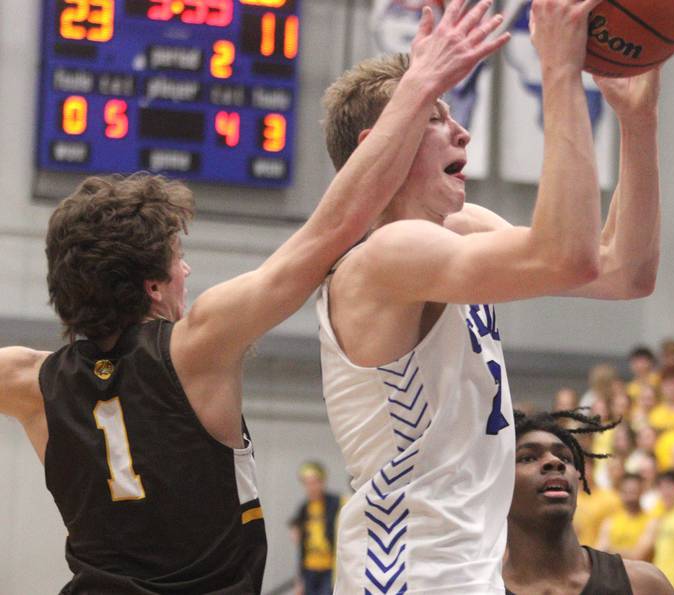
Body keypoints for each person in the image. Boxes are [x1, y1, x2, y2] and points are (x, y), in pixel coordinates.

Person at [0, 4, 472, 585]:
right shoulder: (197, 345)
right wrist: (418, 87)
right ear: (153, 285)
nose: (188, 270)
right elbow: (332, 230)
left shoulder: (23, 378)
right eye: (177, 260)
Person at [318, 0, 673, 588]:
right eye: (435, 119)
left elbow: (625, 272)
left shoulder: (458, 231)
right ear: (380, 142)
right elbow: (567, 253)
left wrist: (637, 123)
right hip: (409, 571)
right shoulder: (384, 256)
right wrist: (559, 69)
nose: (461, 130)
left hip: (470, 566)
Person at [504, 410, 674, 595]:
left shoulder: (644, 585)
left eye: (565, 458)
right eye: (528, 457)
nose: (554, 462)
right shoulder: (479, 588)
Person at [289, 462, 344, 595]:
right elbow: (301, 544)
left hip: (330, 567)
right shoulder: (304, 508)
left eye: (315, 482)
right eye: (308, 483)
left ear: (322, 482)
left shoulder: (335, 503)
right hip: (310, 568)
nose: (312, 487)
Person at [597, 473, 652, 560]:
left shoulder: (651, 521)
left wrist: (610, 550)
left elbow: (638, 555)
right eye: (626, 491)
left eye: (634, 491)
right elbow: (600, 551)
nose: (630, 496)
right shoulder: (611, 520)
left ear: (642, 491)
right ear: (620, 492)